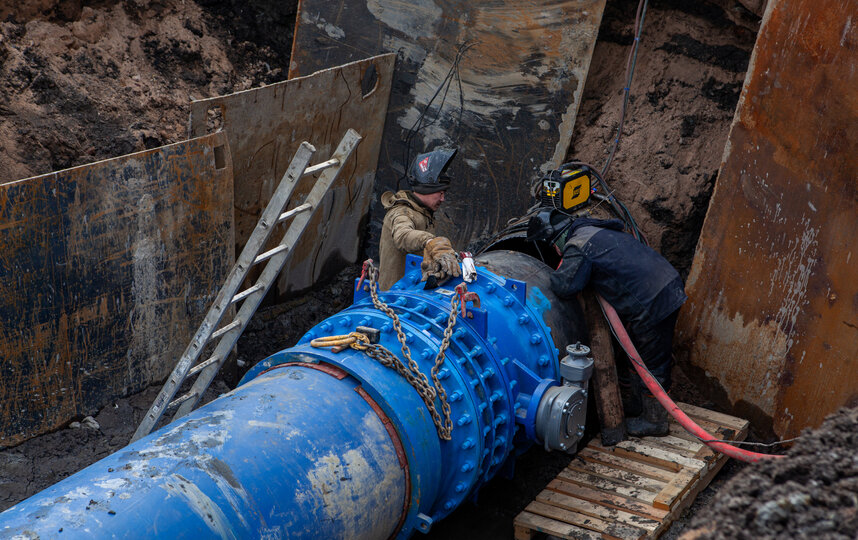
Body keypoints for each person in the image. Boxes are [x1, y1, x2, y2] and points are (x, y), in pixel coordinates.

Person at [528, 210, 687, 437]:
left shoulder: (578, 246)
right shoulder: (594, 230)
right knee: (637, 352)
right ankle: (637, 404)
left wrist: (555, 271)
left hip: (653, 299)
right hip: (663, 283)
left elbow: (565, 286)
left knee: (652, 360)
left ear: (557, 239)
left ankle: (655, 420)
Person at [378, 147, 461, 290]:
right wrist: (430, 241)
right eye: (440, 193)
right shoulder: (401, 213)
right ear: (427, 189)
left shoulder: (422, 211)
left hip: (412, 288)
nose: (443, 199)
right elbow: (403, 235)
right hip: (394, 294)